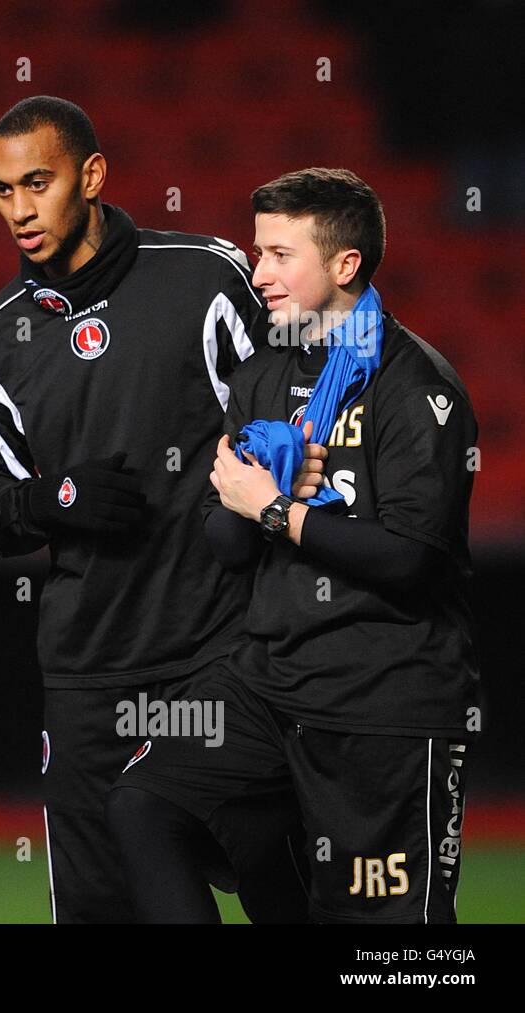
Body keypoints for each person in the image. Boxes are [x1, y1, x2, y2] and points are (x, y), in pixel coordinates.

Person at [0, 95, 311, 923]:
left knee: (291, 893)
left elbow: (295, 407)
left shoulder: (205, 278)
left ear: (92, 175)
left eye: (36, 183)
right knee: (101, 908)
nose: (18, 209)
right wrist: (56, 497)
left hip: (223, 655)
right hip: (88, 675)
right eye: (1, 190)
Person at [111, 168, 479, 923]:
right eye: (258, 252)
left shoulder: (416, 385)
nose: (258, 272)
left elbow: (415, 559)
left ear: (345, 265)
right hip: (272, 682)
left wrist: (276, 509)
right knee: (145, 804)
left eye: (281, 254)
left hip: (385, 696)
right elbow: (229, 545)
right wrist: (245, 504)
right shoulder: (261, 378)